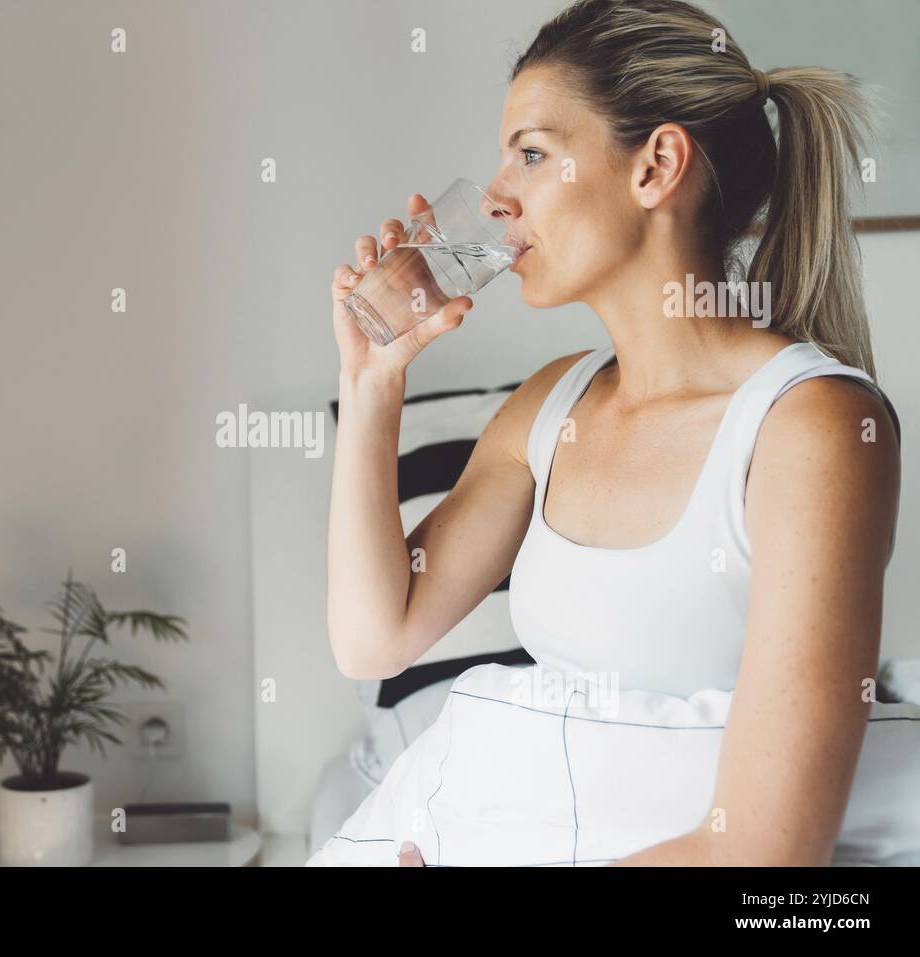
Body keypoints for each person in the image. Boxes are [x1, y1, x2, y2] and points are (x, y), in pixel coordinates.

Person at [326, 0, 901, 867]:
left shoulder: (810, 427)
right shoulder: (549, 404)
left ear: (656, 166)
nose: (493, 198)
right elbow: (375, 637)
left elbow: (764, 854)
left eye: (532, 154)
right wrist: (371, 381)